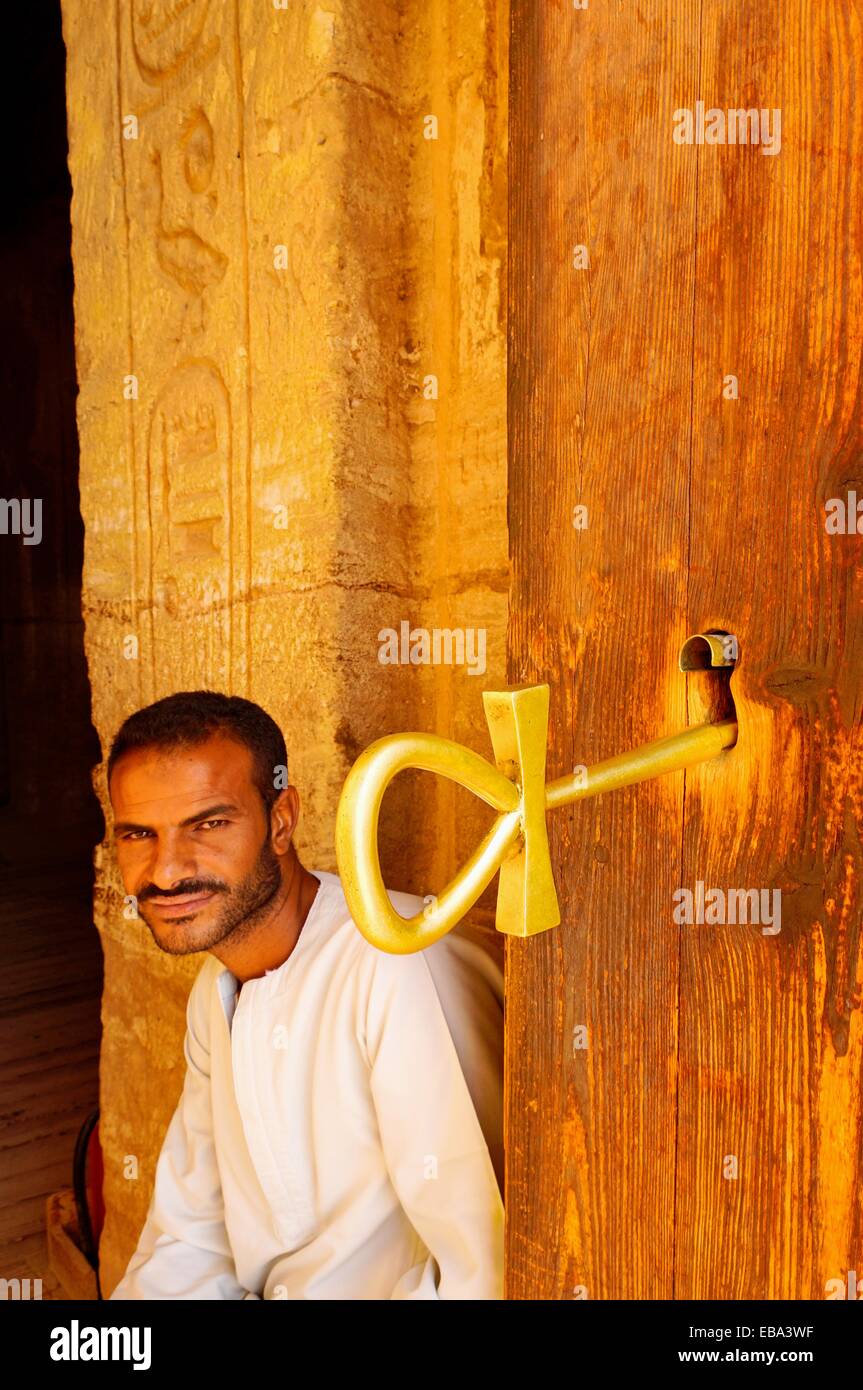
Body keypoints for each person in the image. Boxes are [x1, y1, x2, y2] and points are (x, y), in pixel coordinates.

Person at [105, 690, 504, 1300]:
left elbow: (484, 1265)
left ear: (282, 820)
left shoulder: (395, 961)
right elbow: (189, 1235)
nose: (164, 871)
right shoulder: (215, 993)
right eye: (138, 835)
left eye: (208, 824)